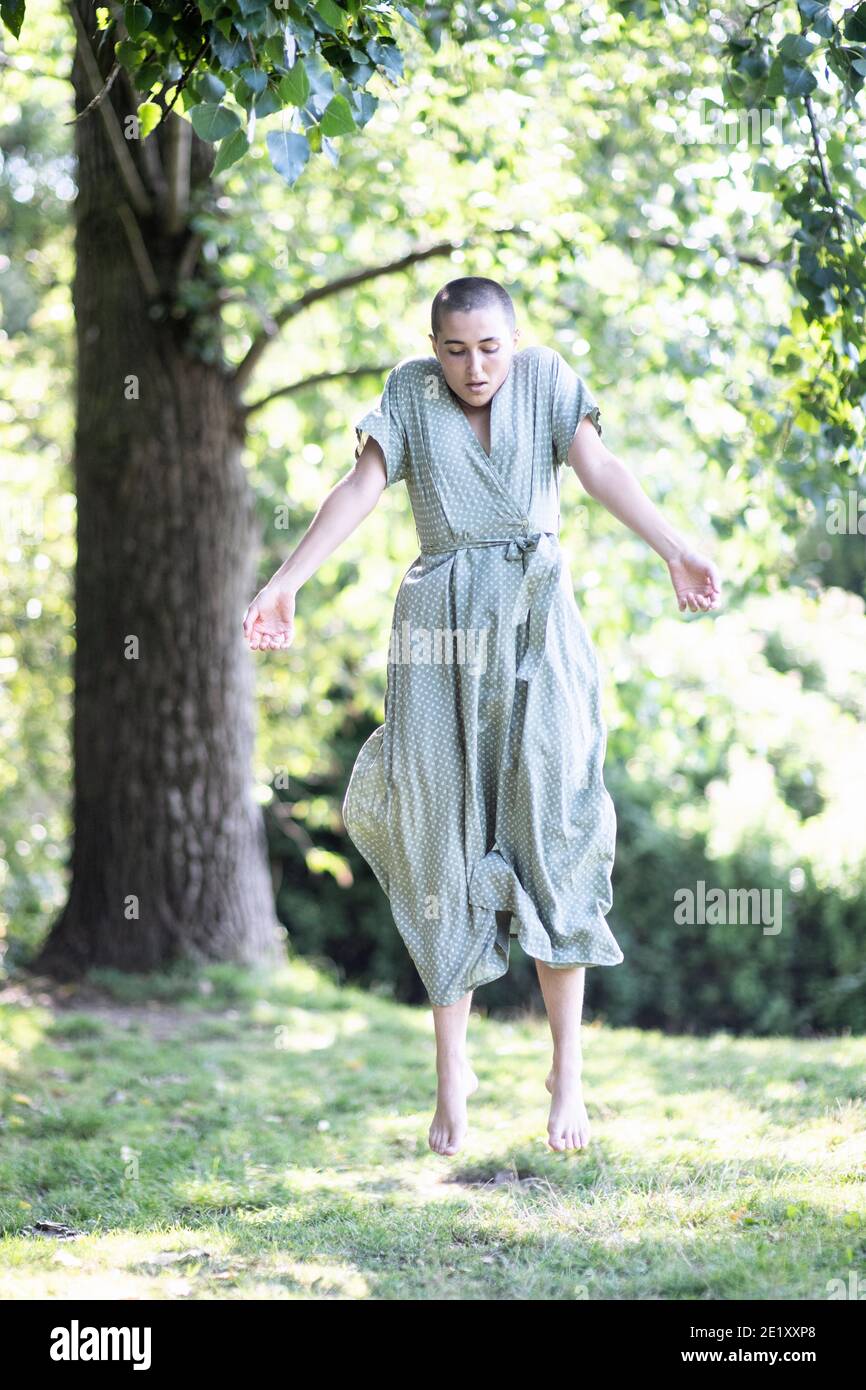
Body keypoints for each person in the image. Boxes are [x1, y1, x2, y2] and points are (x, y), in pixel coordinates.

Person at [243, 276, 722, 1159]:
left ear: (515, 341)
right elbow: (358, 488)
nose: (474, 367)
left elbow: (600, 469)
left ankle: (566, 1073)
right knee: (442, 833)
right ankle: (451, 1072)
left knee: (556, 828)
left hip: (538, 625)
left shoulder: (547, 381)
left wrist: (675, 549)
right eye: (456, 350)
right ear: (435, 349)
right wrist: (285, 582)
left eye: (490, 348)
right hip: (439, 638)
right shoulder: (408, 393)